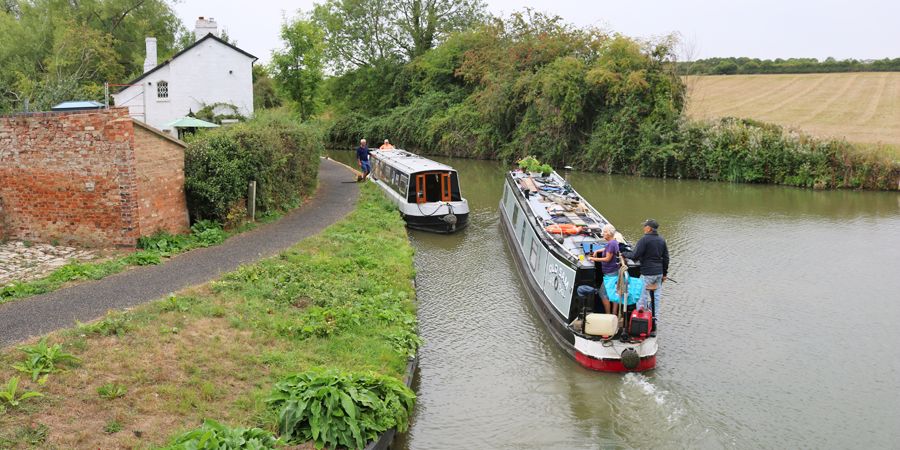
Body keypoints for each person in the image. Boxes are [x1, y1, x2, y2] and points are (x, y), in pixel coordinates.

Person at [622, 219, 669, 330]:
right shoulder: (662, 240)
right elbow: (666, 258)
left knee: (641, 296)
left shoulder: (644, 240)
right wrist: (665, 273)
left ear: (649, 228)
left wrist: (623, 253)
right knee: (656, 297)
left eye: (645, 226)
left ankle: (641, 320)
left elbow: (635, 255)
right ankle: (654, 321)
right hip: (659, 273)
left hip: (647, 273)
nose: (643, 228)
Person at [587, 224, 621, 316]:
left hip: (610, 274)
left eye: (605, 232)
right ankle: (614, 314)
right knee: (614, 294)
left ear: (609, 233)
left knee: (602, 293)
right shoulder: (614, 242)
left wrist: (593, 259)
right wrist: (597, 251)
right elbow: (607, 249)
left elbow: (607, 258)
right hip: (614, 272)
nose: (603, 234)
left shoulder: (611, 244)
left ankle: (608, 314)